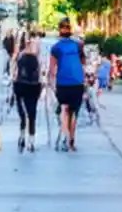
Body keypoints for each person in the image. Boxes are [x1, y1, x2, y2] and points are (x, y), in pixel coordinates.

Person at [49, 18, 87, 151]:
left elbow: (52, 68)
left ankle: (66, 137)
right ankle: (71, 139)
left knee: (64, 110)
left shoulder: (56, 48)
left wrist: (50, 83)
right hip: (77, 82)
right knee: (74, 112)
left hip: (63, 82)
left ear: (60, 30)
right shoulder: (78, 45)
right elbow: (83, 63)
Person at [12, 32, 44, 152]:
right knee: (32, 113)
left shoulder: (20, 56)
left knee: (23, 114)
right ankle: (31, 140)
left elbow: (14, 71)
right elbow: (41, 72)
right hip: (33, 86)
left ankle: (22, 136)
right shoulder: (36, 58)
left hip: (21, 85)